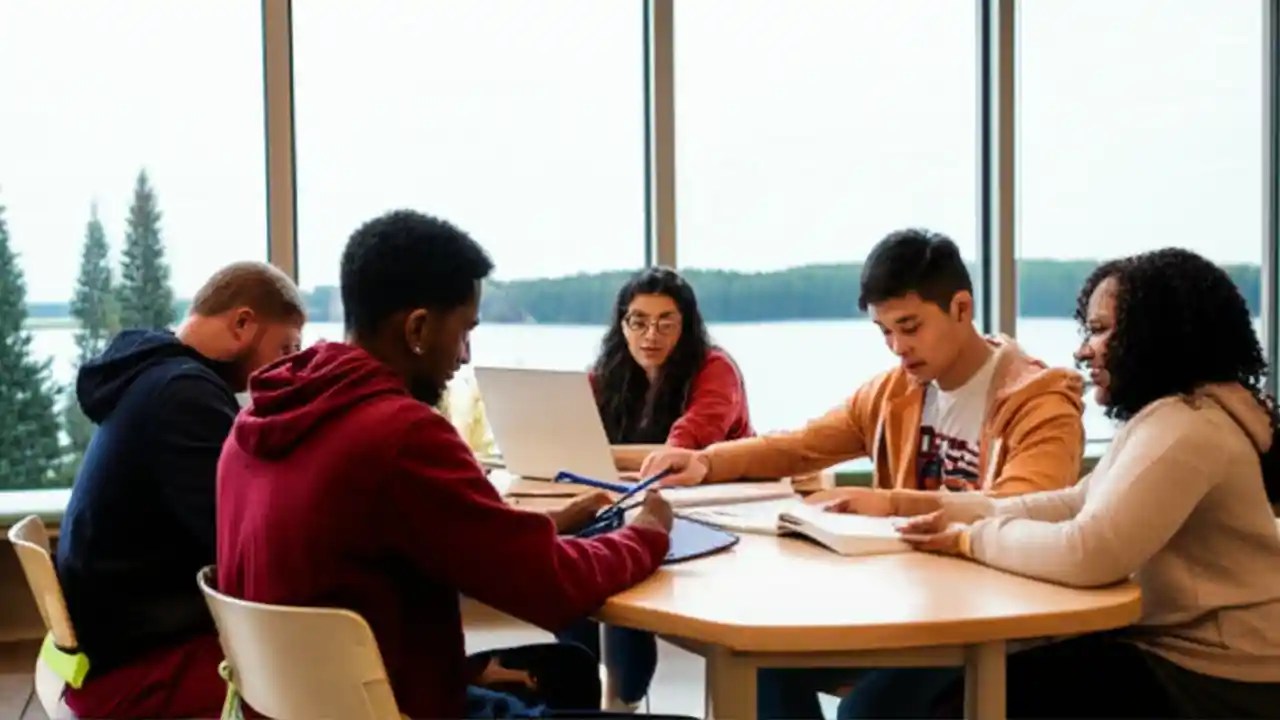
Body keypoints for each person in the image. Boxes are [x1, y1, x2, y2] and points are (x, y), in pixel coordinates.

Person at [215, 209, 681, 719]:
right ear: (417, 328)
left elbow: (394, 539)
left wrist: (535, 528)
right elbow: (552, 587)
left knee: (565, 669)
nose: (464, 355)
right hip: (406, 708)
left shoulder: (254, 426)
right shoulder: (401, 436)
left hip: (305, 708)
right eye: (463, 330)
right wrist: (648, 534)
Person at [641, 228, 1088, 719]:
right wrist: (706, 461)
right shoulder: (895, 390)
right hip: (906, 603)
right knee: (755, 656)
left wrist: (895, 503)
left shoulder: (1041, 404)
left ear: (962, 308)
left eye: (910, 326)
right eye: (884, 331)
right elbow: (801, 445)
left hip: (989, 616)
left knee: (862, 714)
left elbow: (1023, 511)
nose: (897, 346)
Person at [838, 248, 1280, 718]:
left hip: (1218, 677)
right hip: (1175, 649)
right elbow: (1074, 503)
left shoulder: (1188, 430)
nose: (1081, 350)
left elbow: (1090, 550)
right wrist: (911, 507)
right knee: (922, 699)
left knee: (944, 706)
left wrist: (969, 539)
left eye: (1099, 330)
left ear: (1157, 331)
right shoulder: (1166, 418)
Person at [55, 261, 306, 719]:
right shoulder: (183, 393)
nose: (290, 368)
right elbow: (244, 548)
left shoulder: (152, 377)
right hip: (137, 672)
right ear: (243, 324)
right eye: (286, 348)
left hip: (112, 647)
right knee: (321, 679)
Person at [558, 266, 755, 710]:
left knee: (623, 554)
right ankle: (582, 699)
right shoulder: (608, 371)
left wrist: (625, 456)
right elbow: (571, 436)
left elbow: (690, 437)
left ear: (686, 325)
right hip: (639, 504)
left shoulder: (714, 366)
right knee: (572, 559)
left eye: (667, 321)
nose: (652, 334)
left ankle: (623, 698)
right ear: (622, 324)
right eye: (639, 321)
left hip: (720, 510)